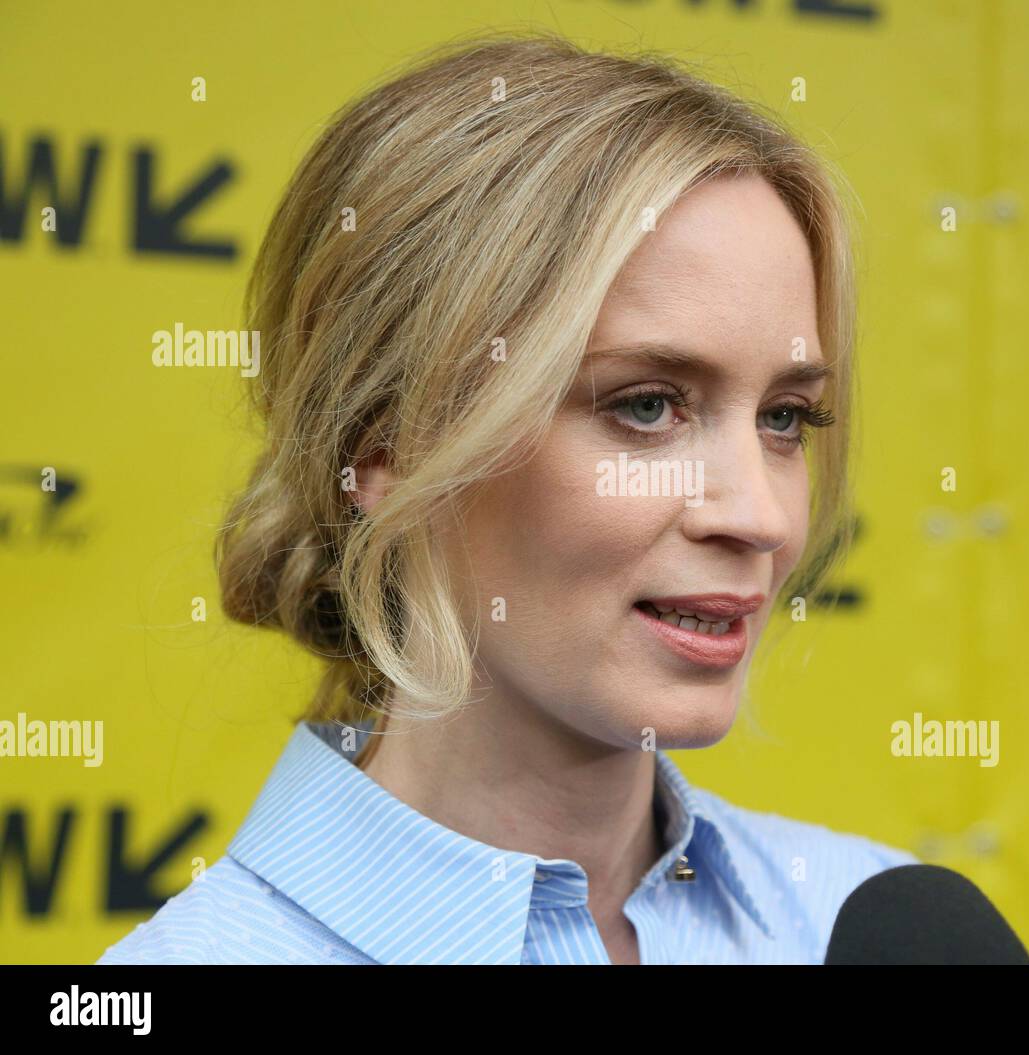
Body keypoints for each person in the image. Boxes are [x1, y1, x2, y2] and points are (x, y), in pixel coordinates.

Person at [97, 29, 915, 966]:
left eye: (785, 419)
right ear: (385, 446)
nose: (762, 518)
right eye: (647, 406)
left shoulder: (860, 925)